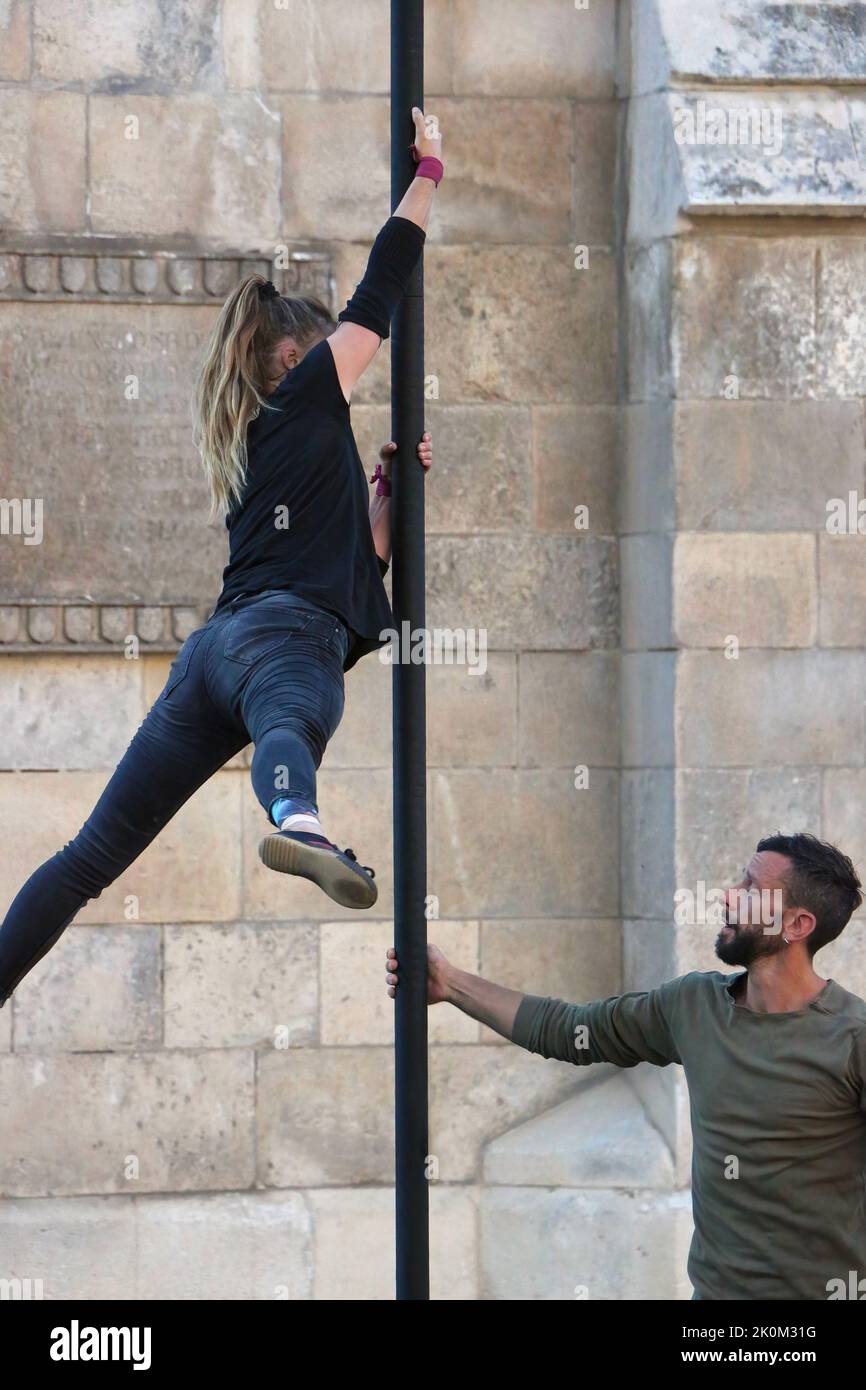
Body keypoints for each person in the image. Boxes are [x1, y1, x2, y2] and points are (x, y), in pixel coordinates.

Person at [0, 107, 444, 1008]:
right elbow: (380, 291)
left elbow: (359, 567)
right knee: (298, 714)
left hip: (212, 659)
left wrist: (384, 498)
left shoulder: (253, 445)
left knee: (89, 855)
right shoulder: (308, 390)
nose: (345, 375)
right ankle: (298, 820)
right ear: (293, 356)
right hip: (279, 645)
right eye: (326, 358)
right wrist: (429, 174)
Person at [386, 832, 866, 1300]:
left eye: (750, 889)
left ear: (797, 925)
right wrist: (449, 984)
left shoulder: (852, 1037)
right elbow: (571, 1031)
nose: (727, 896)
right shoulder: (692, 1005)